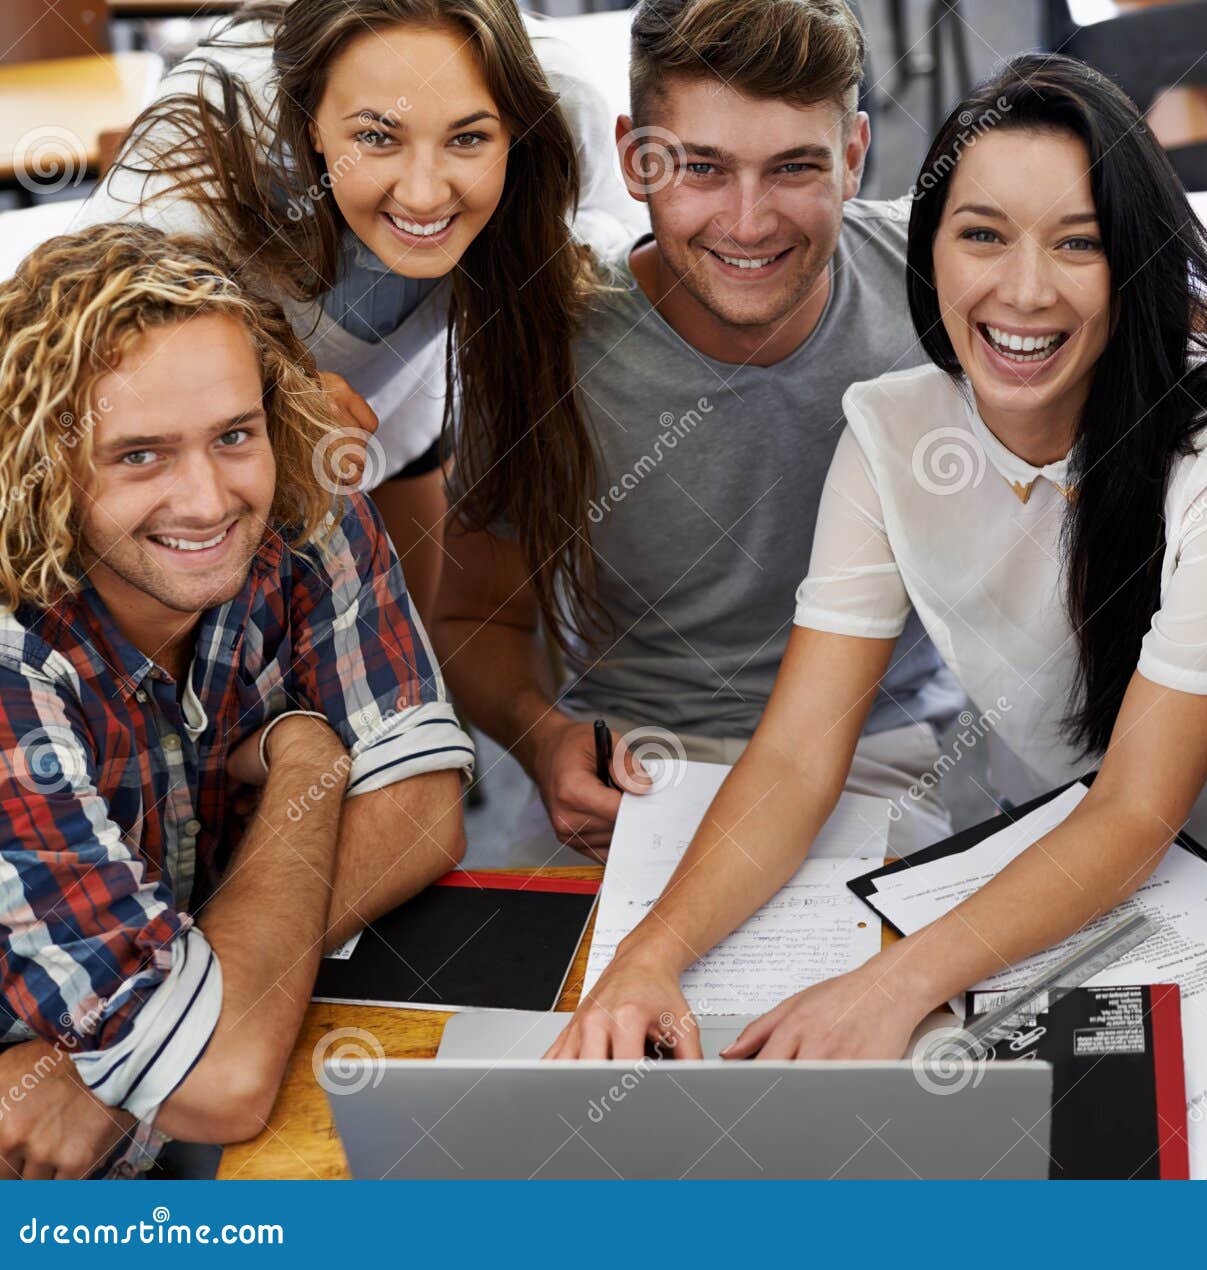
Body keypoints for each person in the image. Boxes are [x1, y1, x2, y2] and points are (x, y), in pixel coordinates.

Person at [545, 53, 1207, 1064]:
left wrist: (888, 986)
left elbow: (1138, 806)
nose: (1024, 289)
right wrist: (648, 957)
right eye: (982, 235)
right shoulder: (892, 432)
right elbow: (795, 758)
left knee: (1128, 1142)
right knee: (921, 1120)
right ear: (928, 252)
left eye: (1079, 243)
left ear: (1134, 260)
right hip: (1049, 856)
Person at [0, 223, 474, 1180]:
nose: (210, 500)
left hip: (140, 1109)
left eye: (233, 436)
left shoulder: (303, 502)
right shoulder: (13, 653)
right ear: (44, 463)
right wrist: (312, 757)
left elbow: (421, 815)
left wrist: (142, 1051)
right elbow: (221, 1081)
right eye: (141, 456)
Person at [436, 0, 960, 862]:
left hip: (874, 749)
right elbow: (475, 614)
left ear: (853, 158)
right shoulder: (544, 345)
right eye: (703, 169)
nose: (748, 223)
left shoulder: (944, 289)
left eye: (794, 167)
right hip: (630, 761)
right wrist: (543, 740)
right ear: (635, 160)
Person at [73, 0, 635, 625]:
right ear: (311, 121)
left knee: (403, 652)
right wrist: (274, 392)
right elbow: (75, 361)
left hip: (401, 404)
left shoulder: (556, 94)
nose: (424, 196)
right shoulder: (200, 158)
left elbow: (614, 232)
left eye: (469, 137)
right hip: (226, 446)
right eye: (376, 136)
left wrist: (571, 267)